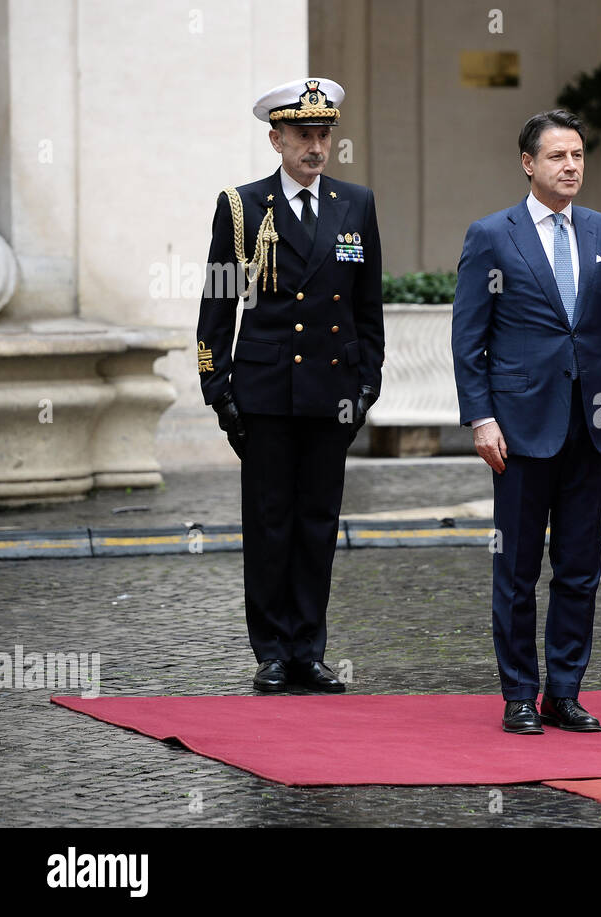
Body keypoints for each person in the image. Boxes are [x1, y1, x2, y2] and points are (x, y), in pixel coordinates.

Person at [451, 110, 601, 734]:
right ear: (529, 163)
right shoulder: (492, 235)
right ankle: (517, 695)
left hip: (590, 425)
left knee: (580, 567)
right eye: (558, 156)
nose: (571, 167)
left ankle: (565, 691)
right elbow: (468, 338)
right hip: (521, 427)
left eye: (579, 156)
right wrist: (481, 418)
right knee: (518, 568)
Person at [196, 78, 384, 693]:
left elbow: (367, 305)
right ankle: (271, 650)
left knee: (318, 522)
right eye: (303, 134)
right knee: (270, 521)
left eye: (324, 134)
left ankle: (309, 648)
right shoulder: (243, 207)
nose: (316, 145)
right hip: (267, 390)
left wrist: (367, 383)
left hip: (331, 393)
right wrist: (219, 389)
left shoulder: (355, 204)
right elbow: (218, 305)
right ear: (275, 138)